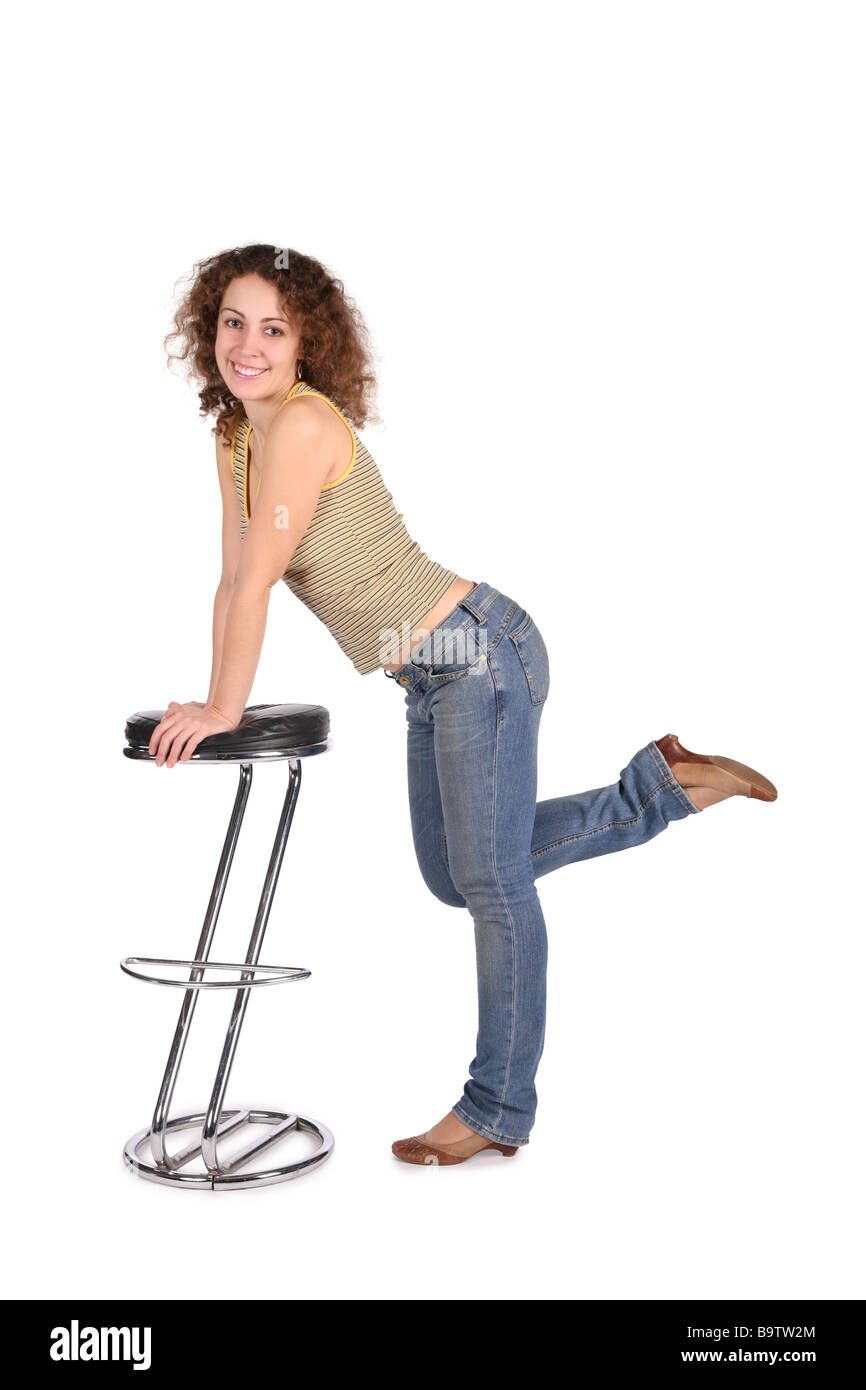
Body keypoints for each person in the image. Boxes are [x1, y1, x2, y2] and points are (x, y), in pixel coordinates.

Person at [148, 243, 778, 1168]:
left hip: (477, 649)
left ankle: (497, 1109)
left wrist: (222, 709)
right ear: (210, 330)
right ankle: (662, 789)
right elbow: (234, 575)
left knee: (492, 887)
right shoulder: (238, 434)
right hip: (432, 667)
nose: (248, 344)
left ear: (305, 343)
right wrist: (214, 699)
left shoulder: (302, 429)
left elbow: (260, 586)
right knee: (456, 876)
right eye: (233, 322)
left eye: (272, 329)